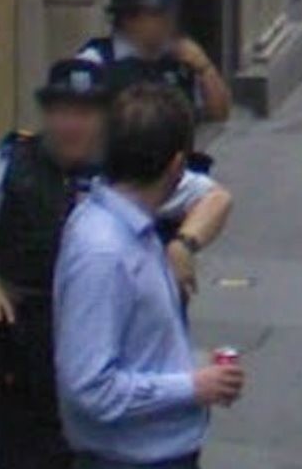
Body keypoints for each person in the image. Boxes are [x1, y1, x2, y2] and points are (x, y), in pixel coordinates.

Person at [55, 83, 245, 469]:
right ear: (177, 167)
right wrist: (194, 386)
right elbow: (90, 388)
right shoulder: (104, 253)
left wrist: (192, 366)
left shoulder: (132, 230)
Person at [0, 58, 109, 469]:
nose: (73, 125)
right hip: (25, 338)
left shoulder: (120, 169)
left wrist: (181, 247)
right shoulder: (12, 163)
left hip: (91, 334)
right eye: (63, 113)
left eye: (85, 113)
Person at [77, 0, 231, 122]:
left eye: (169, 13)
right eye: (158, 14)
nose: (168, 21)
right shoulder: (94, 61)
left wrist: (205, 68)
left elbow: (219, 113)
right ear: (129, 19)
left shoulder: (178, 58)